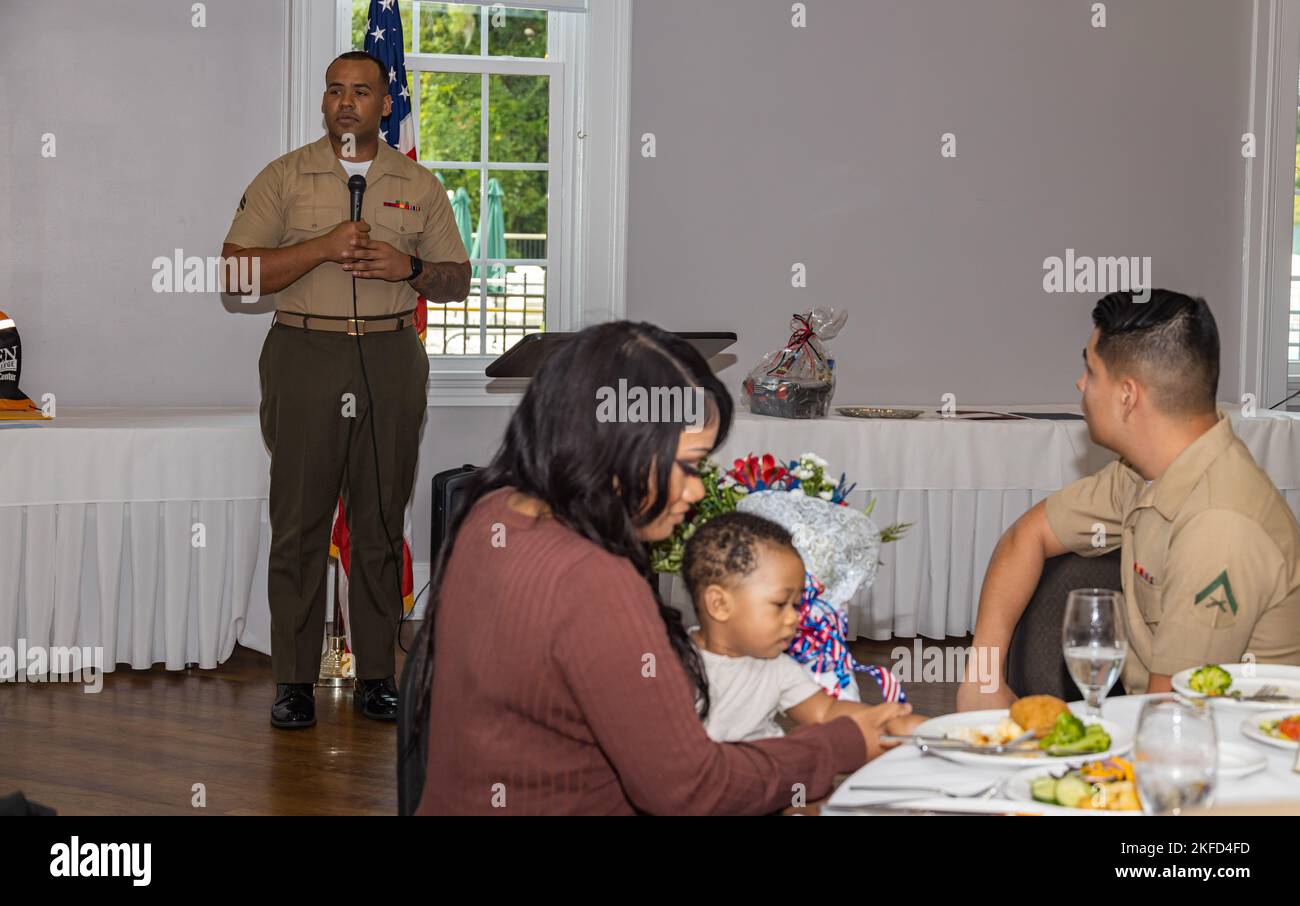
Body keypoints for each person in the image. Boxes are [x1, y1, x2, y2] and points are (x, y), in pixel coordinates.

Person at [408, 322, 910, 814]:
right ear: (622, 447)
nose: (695, 491)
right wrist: (843, 743)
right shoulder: (592, 579)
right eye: (689, 466)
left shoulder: (493, 512)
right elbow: (690, 789)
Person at [221, 51, 471, 728]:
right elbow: (234, 278)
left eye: (361, 91)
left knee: (380, 524)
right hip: (305, 352)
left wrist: (409, 264)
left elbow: (457, 281)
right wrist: (322, 246)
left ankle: (376, 677)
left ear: (385, 104)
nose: (345, 103)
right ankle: (295, 681)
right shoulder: (285, 176)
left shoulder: (418, 184)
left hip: (390, 355)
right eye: (334, 91)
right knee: (300, 524)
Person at [958, 289, 1300, 711]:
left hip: (1228, 759)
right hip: (1160, 726)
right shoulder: (1145, 471)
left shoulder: (1219, 524)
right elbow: (1025, 538)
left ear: (1127, 396)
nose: (1080, 382)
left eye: (1091, 369)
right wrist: (984, 679)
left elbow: (1168, 718)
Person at [681, 511, 926, 743]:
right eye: (779, 604)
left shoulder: (778, 668)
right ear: (719, 604)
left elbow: (826, 712)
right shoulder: (676, 665)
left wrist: (885, 719)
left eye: (796, 605)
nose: (794, 619)